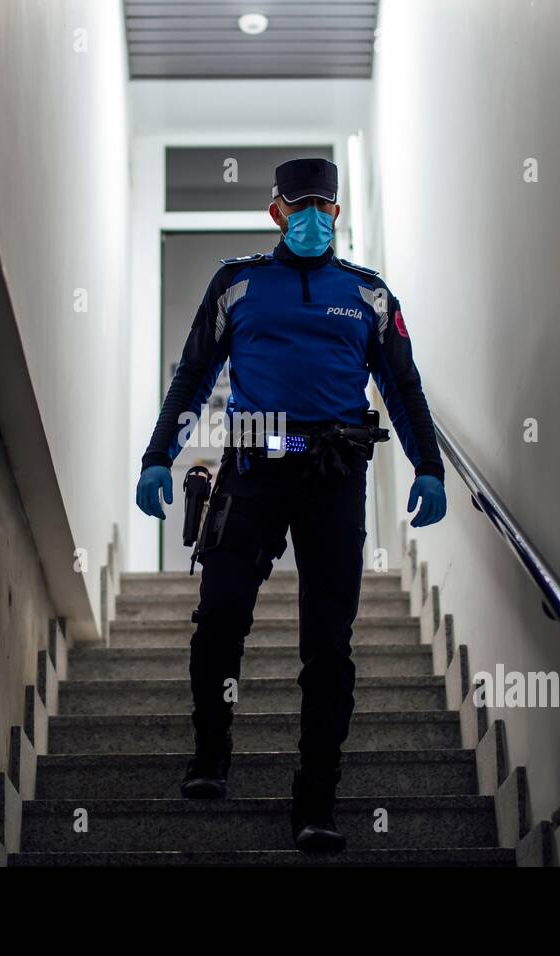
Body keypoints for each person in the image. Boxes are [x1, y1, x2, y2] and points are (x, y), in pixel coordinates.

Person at [135, 157, 447, 853]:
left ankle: (316, 800)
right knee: (220, 614)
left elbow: (403, 385)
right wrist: (160, 454)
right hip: (251, 466)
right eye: (298, 206)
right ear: (276, 212)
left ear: (337, 216)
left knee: (328, 644)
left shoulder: (368, 295)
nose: (312, 219)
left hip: (334, 476)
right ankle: (211, 753)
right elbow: (194, 372)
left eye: (323, 209)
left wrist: (430, 465)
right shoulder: (238, 283)